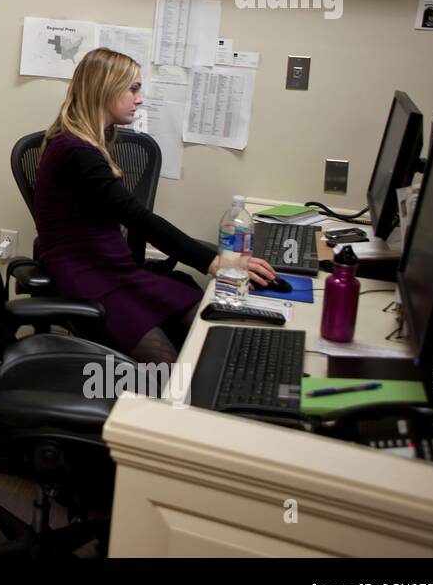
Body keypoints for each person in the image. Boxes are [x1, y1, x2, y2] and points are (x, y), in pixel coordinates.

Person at [32, 48, 275, 363]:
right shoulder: (76, 152)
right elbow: (137, 218)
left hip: (115, 269)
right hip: (86, 276)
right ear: (105, 88)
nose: (140, 98)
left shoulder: (84, 141)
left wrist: (215, 262)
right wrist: (213, 263)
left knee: (208, 328)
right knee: (169, 366)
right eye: (133, 88)